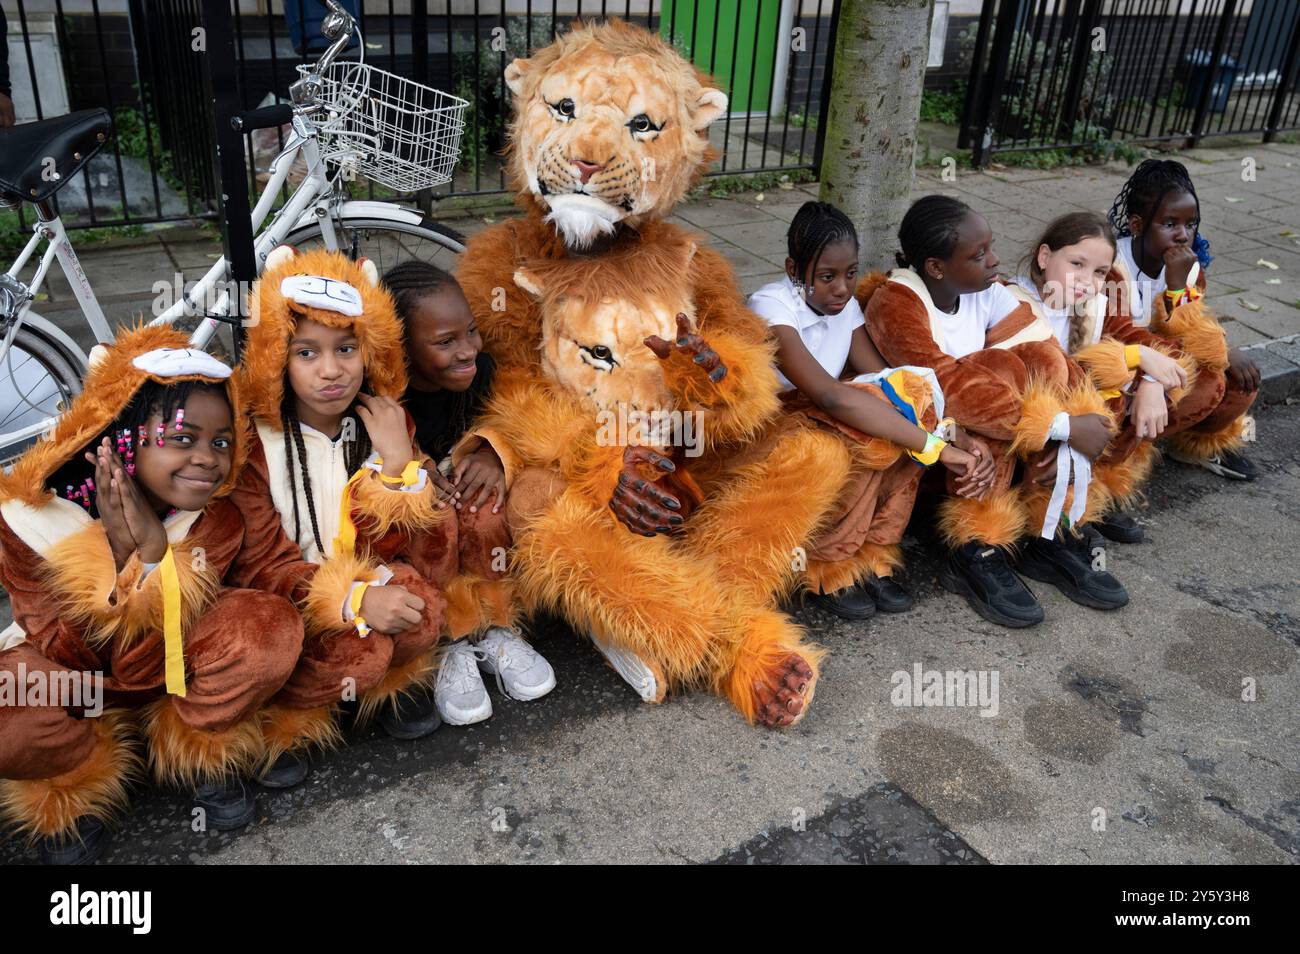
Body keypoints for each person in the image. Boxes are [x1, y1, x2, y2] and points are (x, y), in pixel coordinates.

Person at [0, 326, 305, 863]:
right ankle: (72, 779)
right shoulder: (27, 520)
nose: (208, 458)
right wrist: (120, 561)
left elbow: (208, 620)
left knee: (268, 625)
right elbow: (59, 644)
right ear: (123, 436)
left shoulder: (219, 519)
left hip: (175, 672)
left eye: (221, 441)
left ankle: (203, 748)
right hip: (76, 676)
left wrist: (154, 557)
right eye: (182, 439)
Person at [231, 246, 453, 769]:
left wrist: (399, 463)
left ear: (371, 349)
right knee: (304, 639)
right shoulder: (255, 443)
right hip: (291, 601)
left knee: (421, 608)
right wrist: (352, 601)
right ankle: (287, 718)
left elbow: (395, 546)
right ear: (274, 355)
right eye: (305, 352)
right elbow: (259, 565)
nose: (330, 371)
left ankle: (386, 688)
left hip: (365, 583)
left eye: (346, 349)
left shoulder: (384, 421)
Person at [862, 195, 1126, 627]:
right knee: (1000, 370)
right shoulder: (898, 301)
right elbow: (942, 385)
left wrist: (1085, 418)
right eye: (979, 254)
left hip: (979, 431)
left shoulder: (989, 291)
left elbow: (1049, 352)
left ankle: (1047, 527)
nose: (995, 259)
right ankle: (974, 544)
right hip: (921, 431)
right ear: (936, 267)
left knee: (1044, 365)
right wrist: (1058, 427)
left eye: (992, 247)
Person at [748, 200, 995, 619]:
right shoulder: (771, 308)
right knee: (868, 434)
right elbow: (831, 396)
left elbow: (888, 382)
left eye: (850, 273)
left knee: (902, 407)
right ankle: (828, 562)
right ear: (794, 270)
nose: (842, 288)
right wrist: (937, 449)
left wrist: (957, 436)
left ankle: (872, 552)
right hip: (773, 431)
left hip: (820, 413)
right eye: (826, 277)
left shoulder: (844, 307)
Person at [383, 261, 554, 727]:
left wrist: (494, 452)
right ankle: (447, 641)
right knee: (428, 520)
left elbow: (520, 420)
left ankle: (496, 625)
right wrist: (411, 469)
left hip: (469, 504)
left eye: (471, 332)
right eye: (445, 342)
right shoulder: (382, 395)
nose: (468, 350)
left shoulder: (483, 370)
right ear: (400, 347)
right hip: (424, 517)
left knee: (487, 507)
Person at [1106, 158, 1261, 481]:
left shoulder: (1188, 268)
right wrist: (1174, 291)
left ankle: (1191, 446)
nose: (1182, 235)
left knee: (1239, 379)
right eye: (1169, 224)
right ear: (1137, 225)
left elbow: (1193, 329)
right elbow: (1114, 339)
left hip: (1163, 362)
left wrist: (1224, 350)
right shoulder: (1110, 266)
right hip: (1118, 366)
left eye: (1190, 224)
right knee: (1207, 384)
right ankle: (1111, 466)